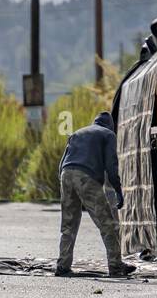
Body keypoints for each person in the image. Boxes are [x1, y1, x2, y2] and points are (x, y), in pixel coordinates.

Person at [56, 111, 135, 278]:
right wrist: (118, 191)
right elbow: (111, 166)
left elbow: (62, 162)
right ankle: (115, 265)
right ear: (110, 125)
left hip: (66, 174)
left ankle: (63, 266)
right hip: (86, 176)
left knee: (68, 225)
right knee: (108, 224)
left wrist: (65, 185)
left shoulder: (77, 133)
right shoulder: (108, 134)